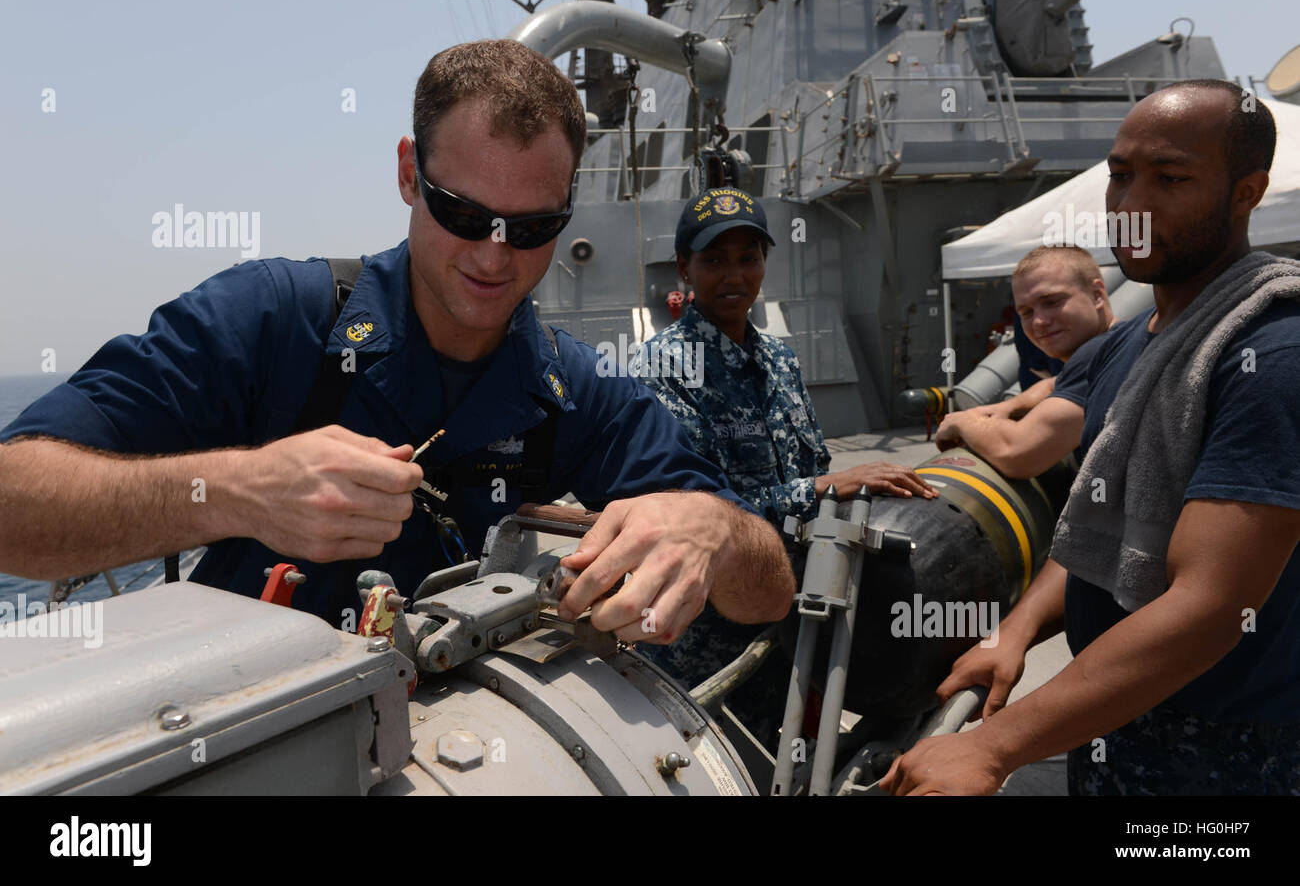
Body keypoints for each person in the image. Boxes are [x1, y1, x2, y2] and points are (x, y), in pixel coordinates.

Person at [0, 40, 794, 644]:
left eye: (532, 229)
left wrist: (715, 530)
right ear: (410, 174)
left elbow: (770, 591)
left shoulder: (580, 390)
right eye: (462, 214)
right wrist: (240, 490)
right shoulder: (273, 321)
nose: (492, 255)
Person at [881, 79, 1300, 795]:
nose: (1131, 205)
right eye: (1120, 175)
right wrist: (1012, 633)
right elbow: (1093, 533)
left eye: (1169, 179)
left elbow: (1212, 607)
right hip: (1108, 724)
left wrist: (996, 745)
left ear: (1245, 192)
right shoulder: (1117, 349)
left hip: (1236, 756)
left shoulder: (1273, 352)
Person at [629, 187, 936, 740]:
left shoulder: (779, 358)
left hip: (797, 613)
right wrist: (824, 485)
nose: (734, 275)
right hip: (707, 639)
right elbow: (699, 510)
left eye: (749, 258)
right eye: (714, 260)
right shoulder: (662, 367)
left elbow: (810, 462)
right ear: (684, 268)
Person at [933, 244, 1116, 478]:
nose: (1039, 321)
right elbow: (1056, 383)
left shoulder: (1097, 354)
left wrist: (963, 421)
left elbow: (1017, 454)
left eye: (1051, 302)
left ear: (1097, 295)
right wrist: (1006, 408)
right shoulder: (1120, 342)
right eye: (1026, 312)